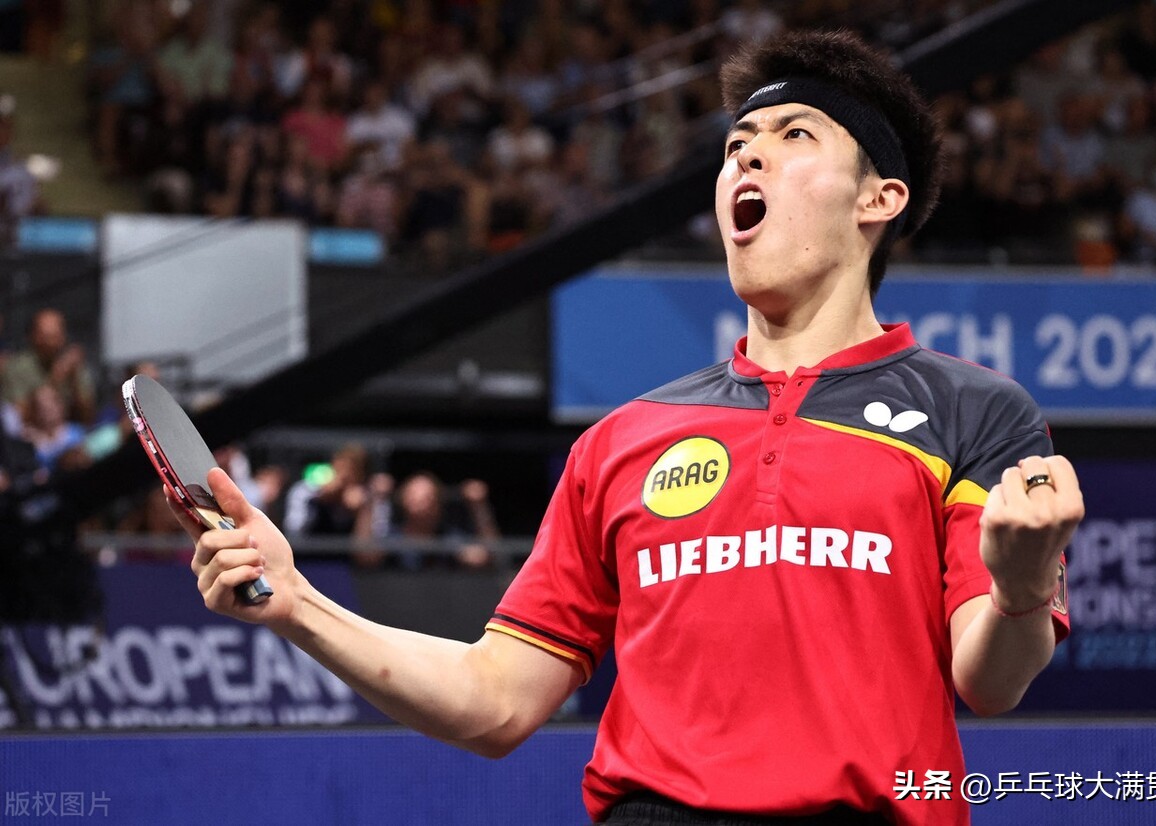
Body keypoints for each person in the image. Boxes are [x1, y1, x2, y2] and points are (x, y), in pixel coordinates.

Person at [172, 31, 1082, 826]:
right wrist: (299, 605)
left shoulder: (972, 411)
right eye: (736, 147)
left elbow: (991, 680)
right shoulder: (622, 442)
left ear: (878, 199)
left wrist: (1019, 587)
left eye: (793, 136)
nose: (747, 161)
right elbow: (496, 700)